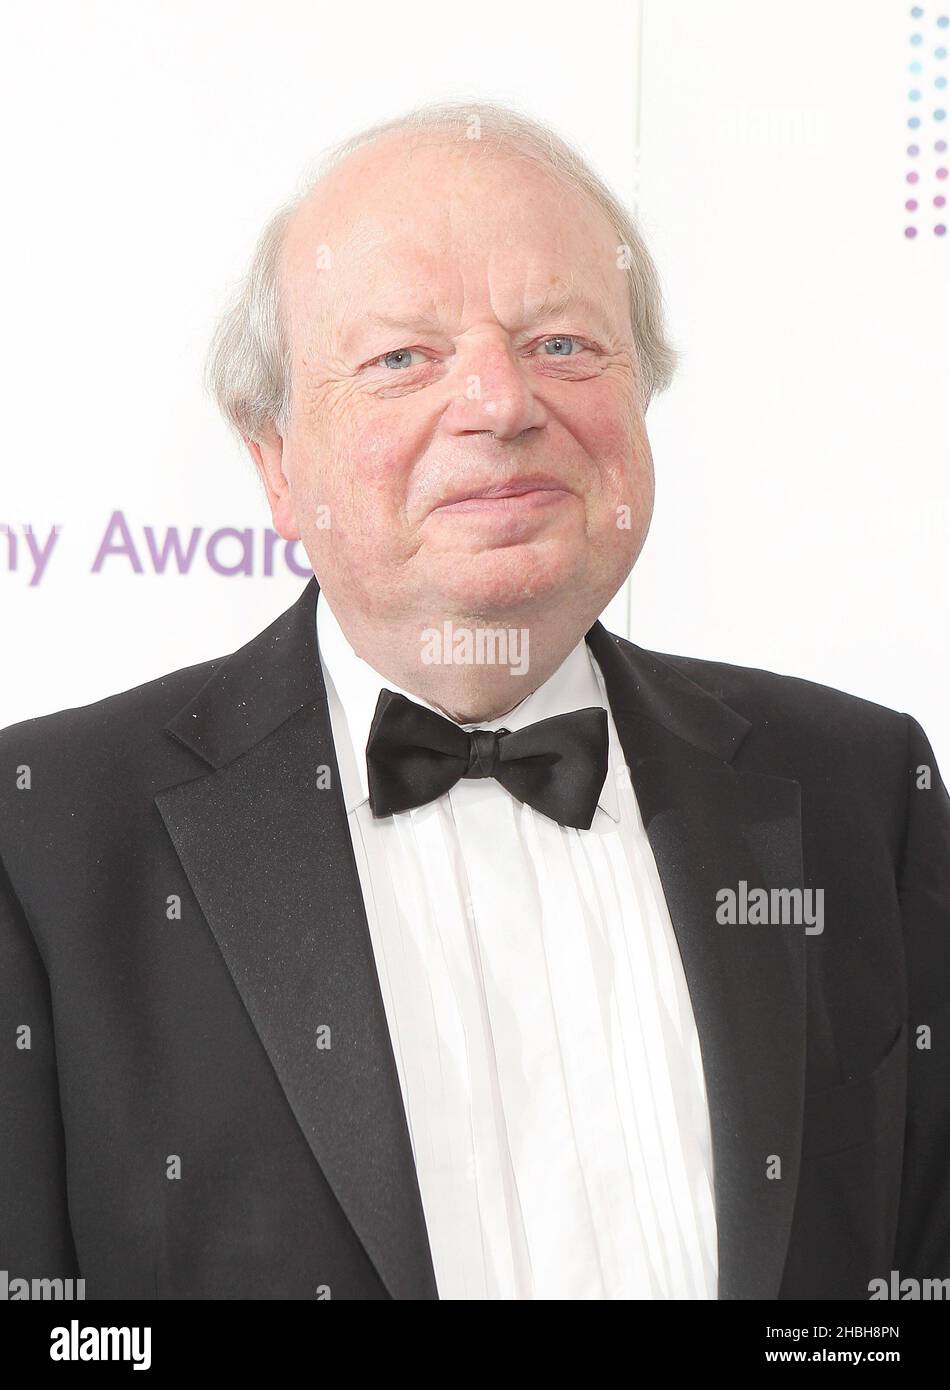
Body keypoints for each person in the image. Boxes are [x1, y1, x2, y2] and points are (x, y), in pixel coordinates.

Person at [1, 101, 948, 1301]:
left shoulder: (861, 787)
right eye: (402, 358)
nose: (500, 403)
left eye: (561, 343)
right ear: (276, 461)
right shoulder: (44, 837)